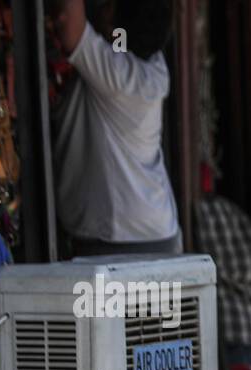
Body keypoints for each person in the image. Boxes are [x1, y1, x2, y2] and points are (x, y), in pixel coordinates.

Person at [50, 0, 181, 256]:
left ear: (114, 25)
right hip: (151, 232)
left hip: (119, 239)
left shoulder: (119, 77)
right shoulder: (154, 67)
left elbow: (68, 22)